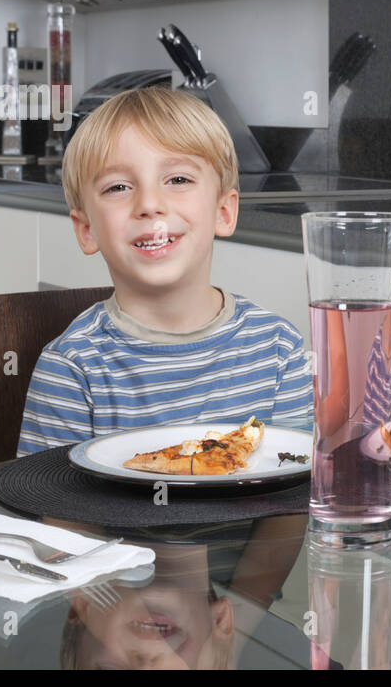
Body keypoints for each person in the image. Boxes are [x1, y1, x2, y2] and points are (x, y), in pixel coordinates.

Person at [17, 88, 312, 455]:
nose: (150, 205)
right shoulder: (72, 367)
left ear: (224, 211)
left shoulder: (279, 349)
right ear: (87, 230)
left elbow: (290, 490)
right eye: (119, 187)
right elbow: (56, 507)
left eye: (178, 180)